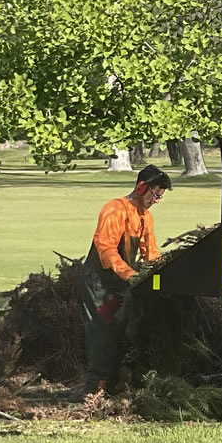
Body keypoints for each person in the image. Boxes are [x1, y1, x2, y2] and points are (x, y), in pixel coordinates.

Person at [81, 164, 171, 394]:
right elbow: (107, 250)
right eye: (155, 195)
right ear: (142, 187)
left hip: (121, 281)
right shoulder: (114, 210)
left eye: (160, 197)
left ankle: (112, 383)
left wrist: (164, 271)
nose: (157, 201)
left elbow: (150, 253)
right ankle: (95, 388)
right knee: (102, 330)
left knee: (121, 328)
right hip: (99, 281)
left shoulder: (145, 218)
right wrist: (131, 275)